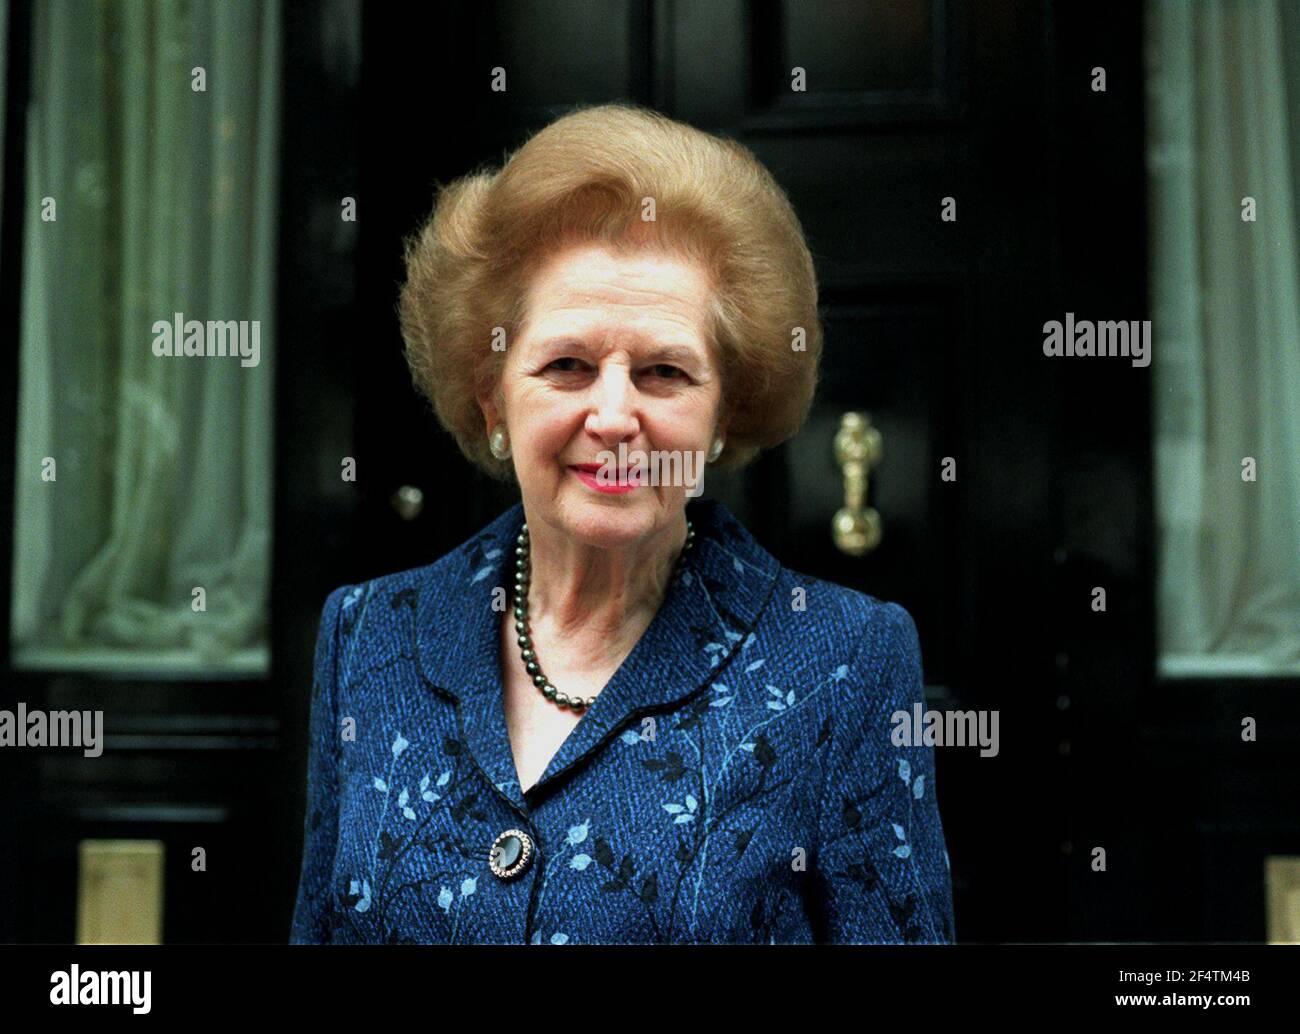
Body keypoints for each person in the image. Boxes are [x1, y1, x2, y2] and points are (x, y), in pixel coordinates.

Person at [289, 103, 954, 944]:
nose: (613, 416)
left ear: (723, 414)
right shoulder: (369, 636)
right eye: (566, 366)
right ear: (494, 398)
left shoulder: (844, 660)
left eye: (664, 372)